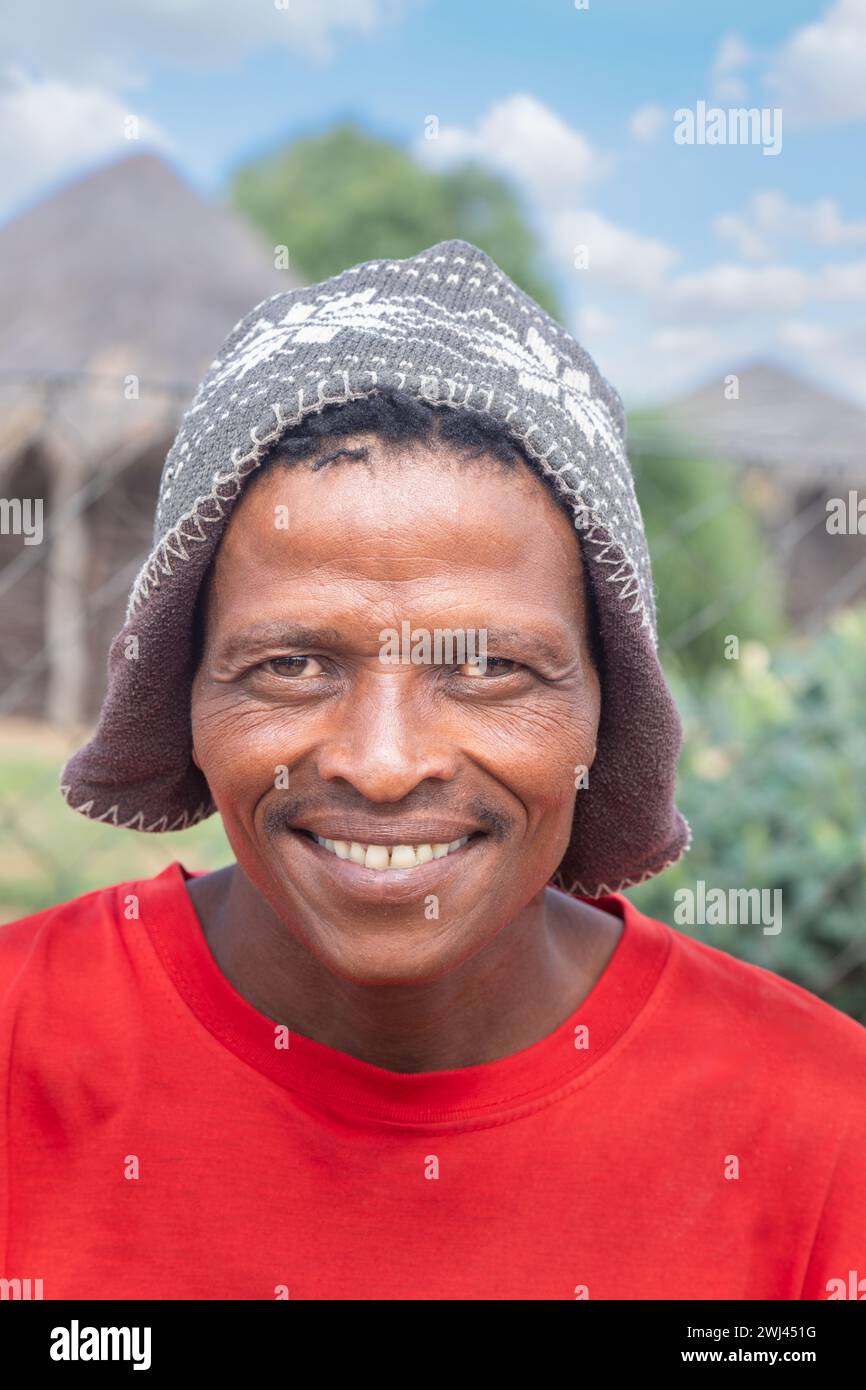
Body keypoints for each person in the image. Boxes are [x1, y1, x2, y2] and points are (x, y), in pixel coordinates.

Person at [1, 240, 864, 1301]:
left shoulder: (823, 1133)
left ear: (610, 702)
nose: (381, 762)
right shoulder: (19, 1045)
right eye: (290, 663)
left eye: (492, 668)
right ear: (180, 689)